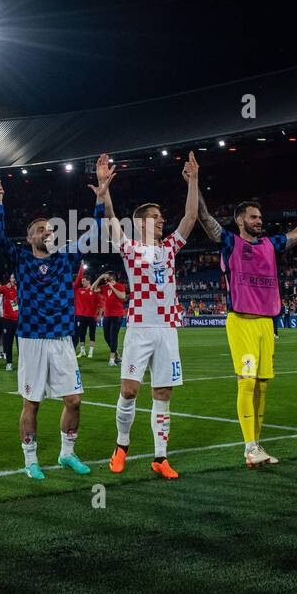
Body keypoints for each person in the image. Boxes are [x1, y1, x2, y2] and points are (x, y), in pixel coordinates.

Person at [195, 187, 297, 468]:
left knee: (262, 386)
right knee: (246, 382)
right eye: (253, 217)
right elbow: (204, 216)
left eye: (260, 217)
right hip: (242, 322)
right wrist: (193, 181)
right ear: (240, 220)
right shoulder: (230, 242)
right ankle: (249, 447)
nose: (259, 221)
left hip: (266, 324)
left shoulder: (271, 244)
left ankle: (255, 446)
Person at [0, 174, 103, 478]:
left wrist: (101, 198)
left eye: (51, 229)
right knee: (32, 403)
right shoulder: (22, 259)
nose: (47, 232)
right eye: (40, 229)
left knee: (74, 400)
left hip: (61, 339)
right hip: (31, 339)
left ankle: (67, 454)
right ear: (29, 238)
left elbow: (95, 232)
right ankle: (30, 460)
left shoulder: (66, 257)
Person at [96, 151, 199, 478]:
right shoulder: (130, 248)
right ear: (142, 222)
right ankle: (121, 446)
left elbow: (191, 216)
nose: (162, 219)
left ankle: (160, 457)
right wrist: (104, 189)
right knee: (129, 390)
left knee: (163, 394)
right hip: (139, 328)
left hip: (167, 329)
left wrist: (193, 181)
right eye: (156, 216)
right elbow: (111, 219)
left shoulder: (169, 248)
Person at [94, 271, 127, 366]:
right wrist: (99, 278)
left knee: (113, 336)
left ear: (111, 277)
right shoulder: (104, 287)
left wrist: (112, 287)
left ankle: (112, 359)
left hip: (117, 315)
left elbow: (123, 296)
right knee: (106, 337)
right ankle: (118, 356)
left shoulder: (120, 286)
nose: (104, 278)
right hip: (107, 315)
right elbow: (92, 289)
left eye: (106, 276)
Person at [73, 269, 99, 358]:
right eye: (82, 281)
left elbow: (101, 304)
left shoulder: (95, 291)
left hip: (92, 316)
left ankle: (91, 352)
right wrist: (81, 270)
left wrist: (99, 314)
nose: (82, 282)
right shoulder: (79, 290)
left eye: (83, 281)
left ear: (88, 281)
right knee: (81, 334)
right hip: (82, 316)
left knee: (92, 334)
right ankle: (82, 351)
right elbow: (76, 284)